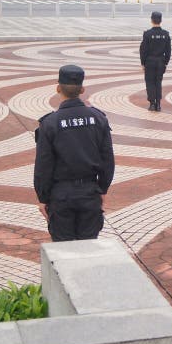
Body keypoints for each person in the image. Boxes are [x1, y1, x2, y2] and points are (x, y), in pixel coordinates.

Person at [33, 65, 115, 242]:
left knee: (64, 252)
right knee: (89, 247)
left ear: (58, 89)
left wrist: (43, 197)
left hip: (60, 195)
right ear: (82, 89)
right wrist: (102, 188)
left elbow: (43, 165)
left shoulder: (50, 123)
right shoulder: (98, 118)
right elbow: (108, 158)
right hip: (90, 192)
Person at [139, 11, 171, 112]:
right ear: (161, 20)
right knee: (158, 82)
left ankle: (152, 104)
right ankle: (158, 104)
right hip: (161, 61)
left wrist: (143, 63)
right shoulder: (165, 34)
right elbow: (168, 50)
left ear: (152, 20)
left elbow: (143, 50)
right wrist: (165, 62)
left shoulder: (147, 34)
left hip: (150, 61)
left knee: (150, 82)